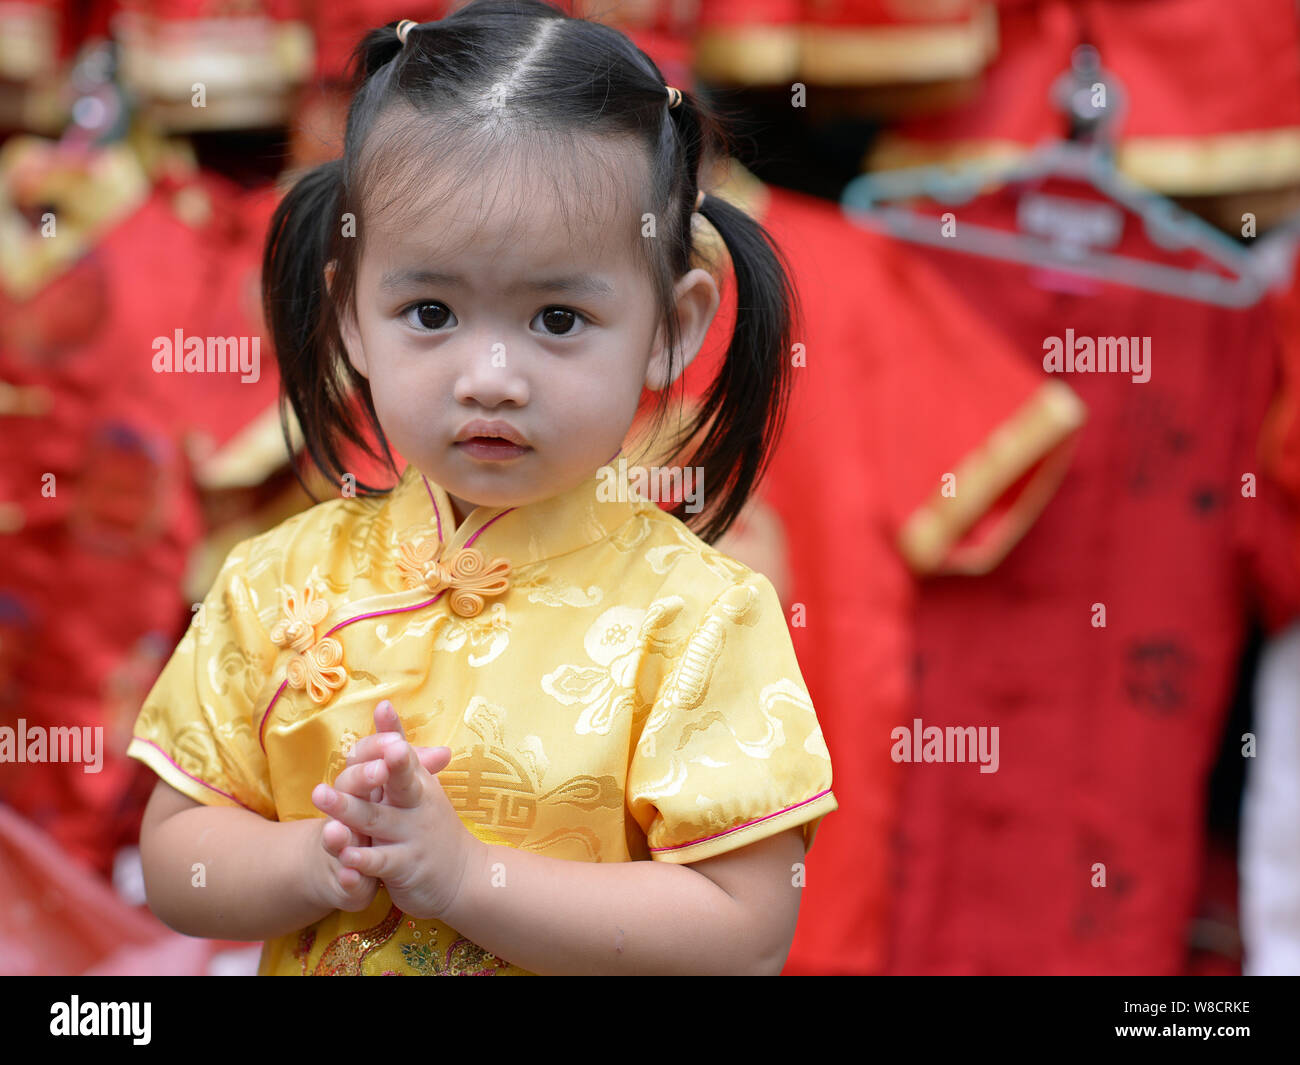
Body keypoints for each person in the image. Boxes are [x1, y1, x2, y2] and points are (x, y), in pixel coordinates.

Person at [128, 0, 838, 976]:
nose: (491, 375)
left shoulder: (699, 616)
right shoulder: (274, 582)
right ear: (348, 318)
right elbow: (174, 863)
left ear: (673, 326)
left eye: (556, 318)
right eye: (430, 310)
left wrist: (465, 879)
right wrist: (320, 854)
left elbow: (746, 932)